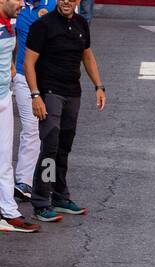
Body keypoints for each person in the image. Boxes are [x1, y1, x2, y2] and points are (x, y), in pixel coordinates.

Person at [23, 0, 103, 224]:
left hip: (72, 93)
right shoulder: (43, 25)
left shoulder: (81, 23)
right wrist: (35, 95)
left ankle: (60, 197)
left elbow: (87, 56)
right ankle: (41, 202)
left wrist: (98, 86)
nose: (67, 1)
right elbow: (29, 63)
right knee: (50, 146)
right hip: (49, 93)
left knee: (64, 147)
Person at [12, 0, 56, 206]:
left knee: (52, 135)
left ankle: (48, 182)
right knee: (31, 129)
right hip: (23, 77)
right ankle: (24, 182)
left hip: (52, 79)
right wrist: (10, 65)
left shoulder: (56, 4)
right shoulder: (16, 6)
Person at [1, 0, 38, 232]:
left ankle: (9, 211)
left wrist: (12, 65)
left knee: (4, 159)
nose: (22, 6)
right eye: (17, 0)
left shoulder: (9, 22)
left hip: (4, 97)